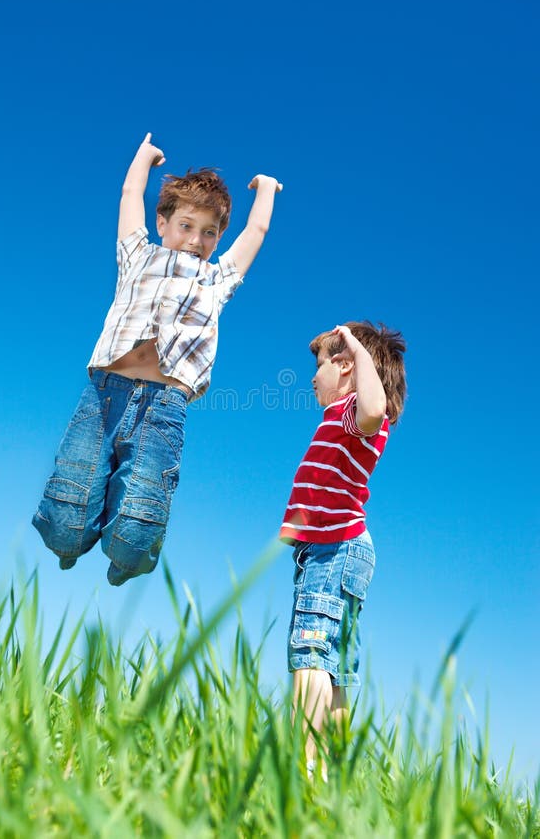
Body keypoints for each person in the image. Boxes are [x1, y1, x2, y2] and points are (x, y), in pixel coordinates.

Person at [33, 132, 282, 586]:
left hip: (164, 410)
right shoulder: (138, 256)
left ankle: (128, 560)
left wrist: (265, 190)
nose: (196, 239)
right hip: (104, 397)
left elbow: (256, 233)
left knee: (136, 528)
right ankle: (69, 546)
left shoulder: (216, 279)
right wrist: (143, 159)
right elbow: (130, 195)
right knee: (64, 520)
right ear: (163, 222)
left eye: (209, 232)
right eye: (186, 226)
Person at [280, 321, 406, 777]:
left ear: (347, 365)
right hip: (339, 551)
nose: (313, 377)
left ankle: (301, 772)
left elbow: (374, 406)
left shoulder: (355, 412)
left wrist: (353, 341)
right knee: (334, 672)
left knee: (311, 654)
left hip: (336, 551)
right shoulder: (341, 418)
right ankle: (330, 781)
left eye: (320, 366)